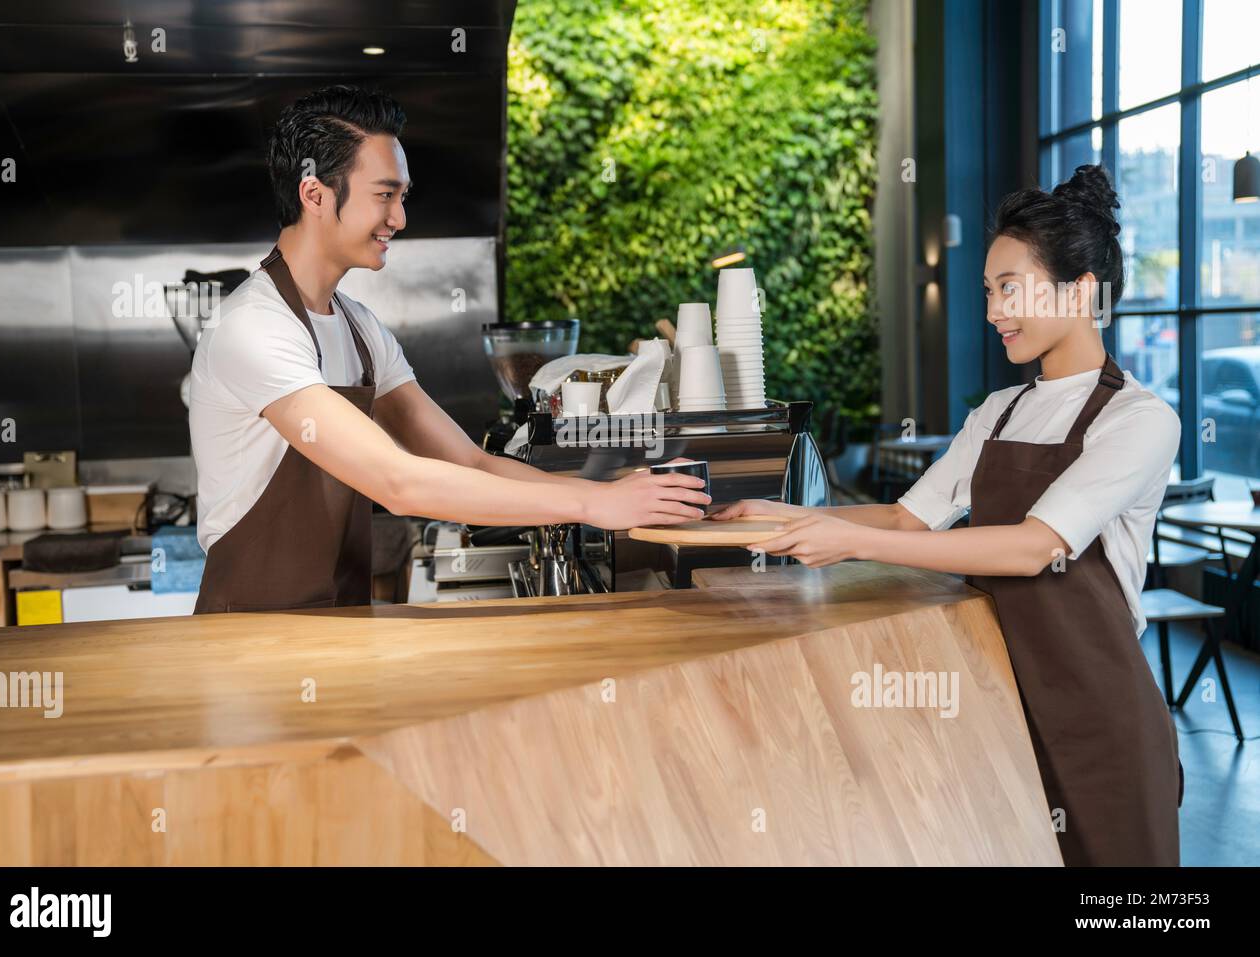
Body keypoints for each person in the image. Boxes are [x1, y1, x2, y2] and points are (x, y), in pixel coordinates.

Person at [713, 165, 1183, 866]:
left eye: (1010, 288)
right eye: (989, 292)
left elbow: (1032, 547)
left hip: (1101, 725)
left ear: (1081, 289)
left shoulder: (1139, 420)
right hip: (1001, 715)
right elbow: (908, 521)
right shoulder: (998, 412)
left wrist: (846, 541)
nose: (994, 311)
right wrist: (784, 514)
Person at [188, 85, 707, 614]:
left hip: (335, 627)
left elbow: (470, 461)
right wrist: (593, 504)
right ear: (315, 194)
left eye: (402, 197)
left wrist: (607, 489)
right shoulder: (253, 327)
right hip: (248, 637)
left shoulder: (360, 329)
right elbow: (398, 481)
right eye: (384, 195)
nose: (400, 219)